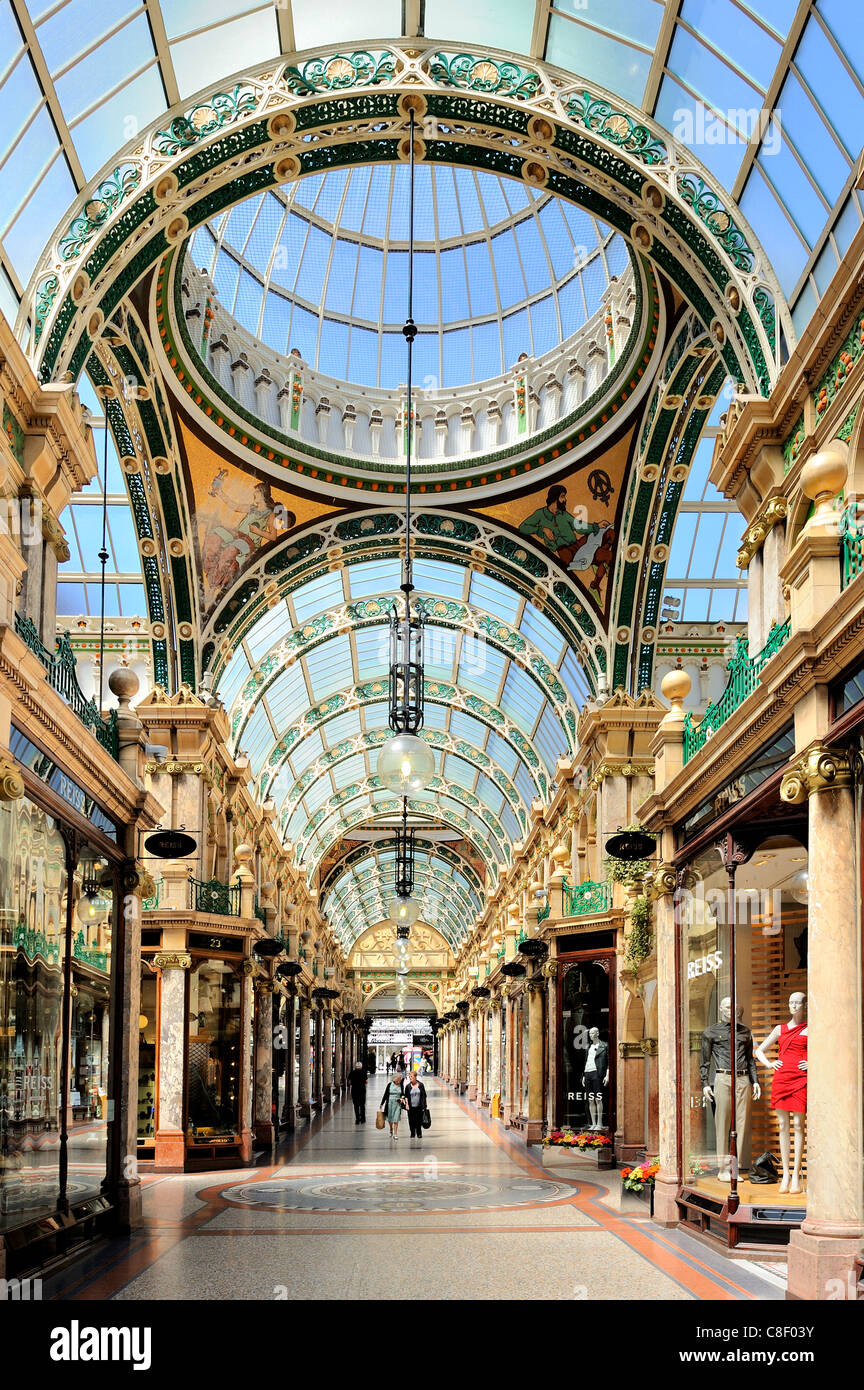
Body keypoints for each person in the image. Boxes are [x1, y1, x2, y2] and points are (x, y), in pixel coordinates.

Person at [380, 1072, 406, 1140]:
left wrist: (402, 1098)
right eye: (399, 1078)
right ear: (396, 1079)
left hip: (397, 1104)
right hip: (389, 1104)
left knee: (396, 1119)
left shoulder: (401, 1085)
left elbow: (403, 1094)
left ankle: (395, 1133)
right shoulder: (389, 1085)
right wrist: (382, 1103)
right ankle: (391, 1129)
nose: (400, 1080)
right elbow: (385, 1094)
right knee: (390, 1118)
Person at [404, 1072, 427, 1140]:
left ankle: (419, 1133)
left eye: (411, 1076)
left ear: (415, 1077)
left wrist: (425, 1105)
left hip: (419, 1106)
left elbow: (424, 1095)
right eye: (409, 1077)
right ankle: (412, 1133)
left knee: (419, 1120)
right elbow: (406, 1096)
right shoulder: (408, 1086)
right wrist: (407, 1104)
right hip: (411, 1107)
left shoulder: (421, 1085)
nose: (410, 1078)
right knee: (411, 1120)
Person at [348, 1059, 368, 1125]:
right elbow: (366, 1082)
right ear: (361, 1066)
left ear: (355, 1067)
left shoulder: (352, 1072)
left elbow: (349, 1082)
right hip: (362, 1090)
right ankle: (363, 1119)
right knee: (362, 1105)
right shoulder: (364, 1072)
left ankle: (357, 1119)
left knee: (356, 1105)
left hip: (354, 1091)